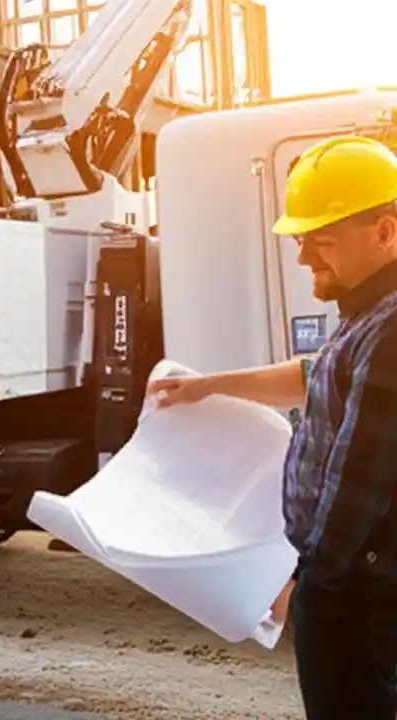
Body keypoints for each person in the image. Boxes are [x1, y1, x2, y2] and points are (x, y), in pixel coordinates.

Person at [147, 135, 397, 719]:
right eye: (301, 240)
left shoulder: (390, 332)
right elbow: (318, 375)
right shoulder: (369, 314)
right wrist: (210, 386)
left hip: (356, 598)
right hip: (354, 586)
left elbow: (356, 487)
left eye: (321, 241)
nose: (305, 258)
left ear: (385, 232)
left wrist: (307, 582)